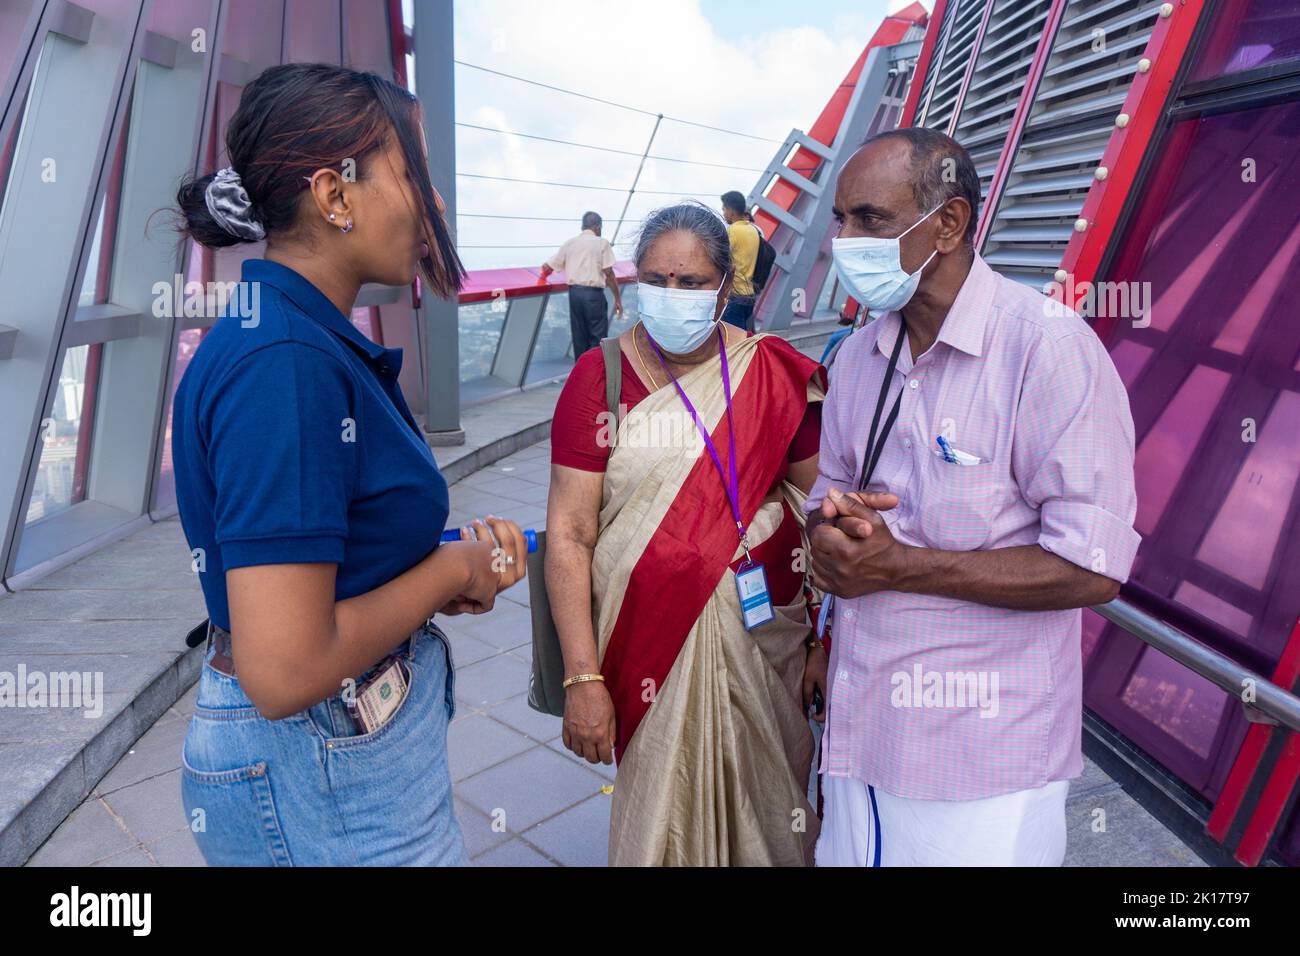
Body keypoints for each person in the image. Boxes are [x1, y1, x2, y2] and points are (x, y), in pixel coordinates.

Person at [171, 63, 528, 866]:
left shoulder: (287, 335)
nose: (436, 204)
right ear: (335, 196)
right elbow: (285, 669)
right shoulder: (287, 364)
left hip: (331, 763)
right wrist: (451, 569)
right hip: (325, 772)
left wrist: (427, 572)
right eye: (414, 173)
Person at [807, 127, 1140, 866]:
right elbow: (826, 495)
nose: (844, 243)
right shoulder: (859, 357)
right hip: (862, 733)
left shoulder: (1047, 349)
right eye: (840, 220)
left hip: (982, 758)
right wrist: (829, 534)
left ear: (949, 223)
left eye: (870, 219)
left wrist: (901, 566)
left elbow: (1092, 568)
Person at [544, 201, 828, 866]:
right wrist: (582, 677)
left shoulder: (772, 371)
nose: (672, 294)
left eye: (692, 282)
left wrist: (825, 641)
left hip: (769, 646)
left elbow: (823, 515)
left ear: (725, 290)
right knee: (661, 816)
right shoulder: (599, 378)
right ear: (635, 279)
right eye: (656, 280)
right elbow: (570, 535)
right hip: (646, 645)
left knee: (772, 811)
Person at [539, 211, 624, 356]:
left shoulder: (570, 243)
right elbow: (609, 273)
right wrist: (617, 299)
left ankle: (581, 367)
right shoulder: (602, 243)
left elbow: (547, 267)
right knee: (597, 337)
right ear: (597, 227)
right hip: (593, 296)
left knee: (579, 338)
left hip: (574, 295)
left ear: (582, 227)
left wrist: (542, 277)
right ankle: (595, 368)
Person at [719, 190, 759, 330]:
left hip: (735, 296)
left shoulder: (733, 231)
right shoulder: (753, 231)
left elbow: (720, 258)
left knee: (732, 337)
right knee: (743, 334)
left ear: (731, 211)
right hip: (749, 294)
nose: (723, 213)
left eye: (724, 209)